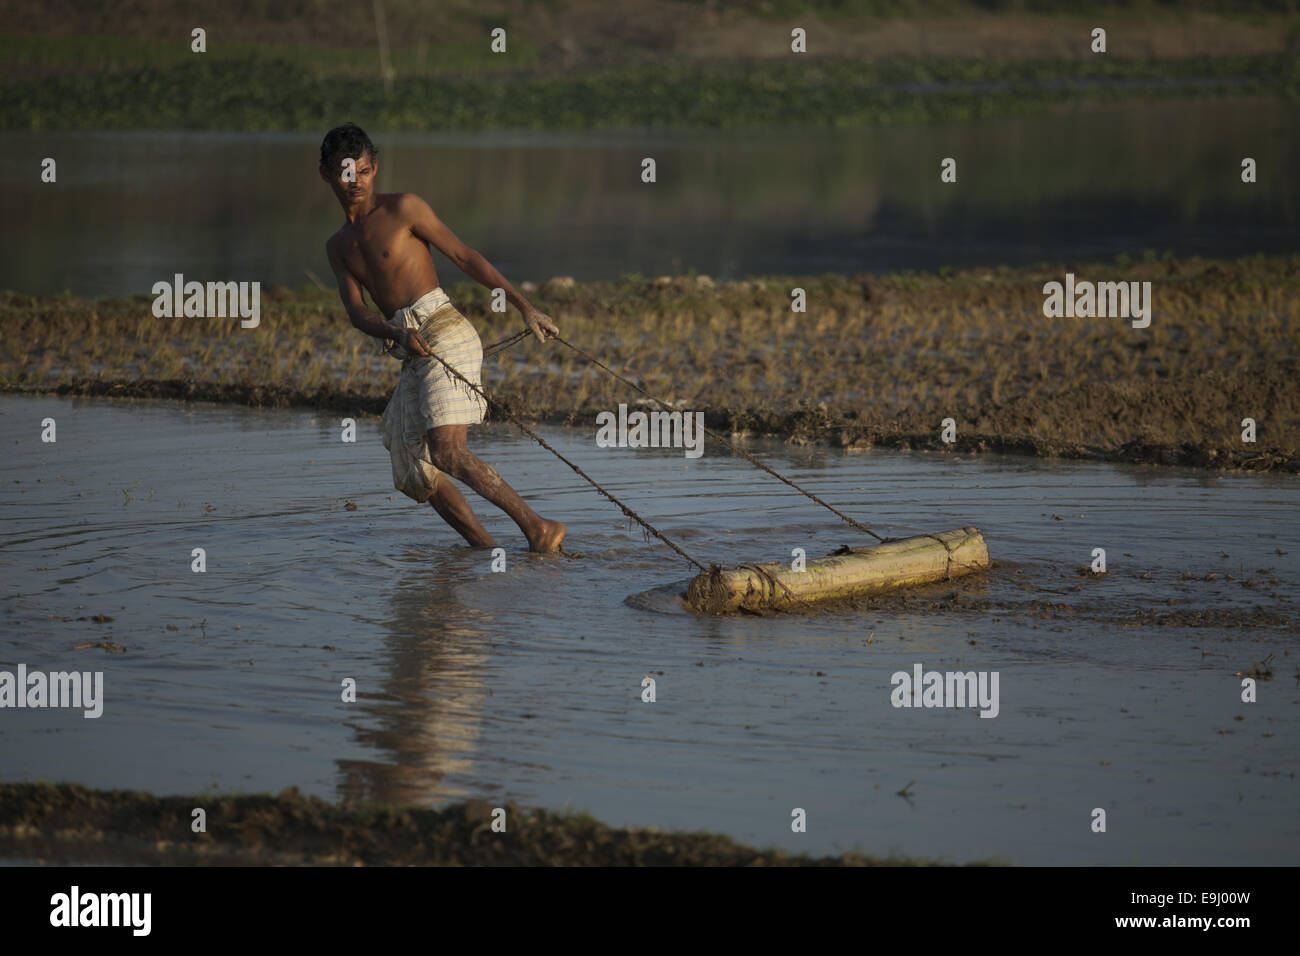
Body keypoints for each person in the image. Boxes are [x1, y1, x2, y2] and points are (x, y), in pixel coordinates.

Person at [320, 123, 566, 552]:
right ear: (326, 174)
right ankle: (486, 551)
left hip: (443, 328)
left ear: (375, 169)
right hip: (407, 343)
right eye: (344, 173)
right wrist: (395, 331)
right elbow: (357, 312)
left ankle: (538, 528)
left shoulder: (404, 209)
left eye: (362, 171)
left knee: (448, 451)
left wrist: (525, 306)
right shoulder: (338, 245)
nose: (354, 182)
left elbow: (464, 256)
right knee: (413, 464)